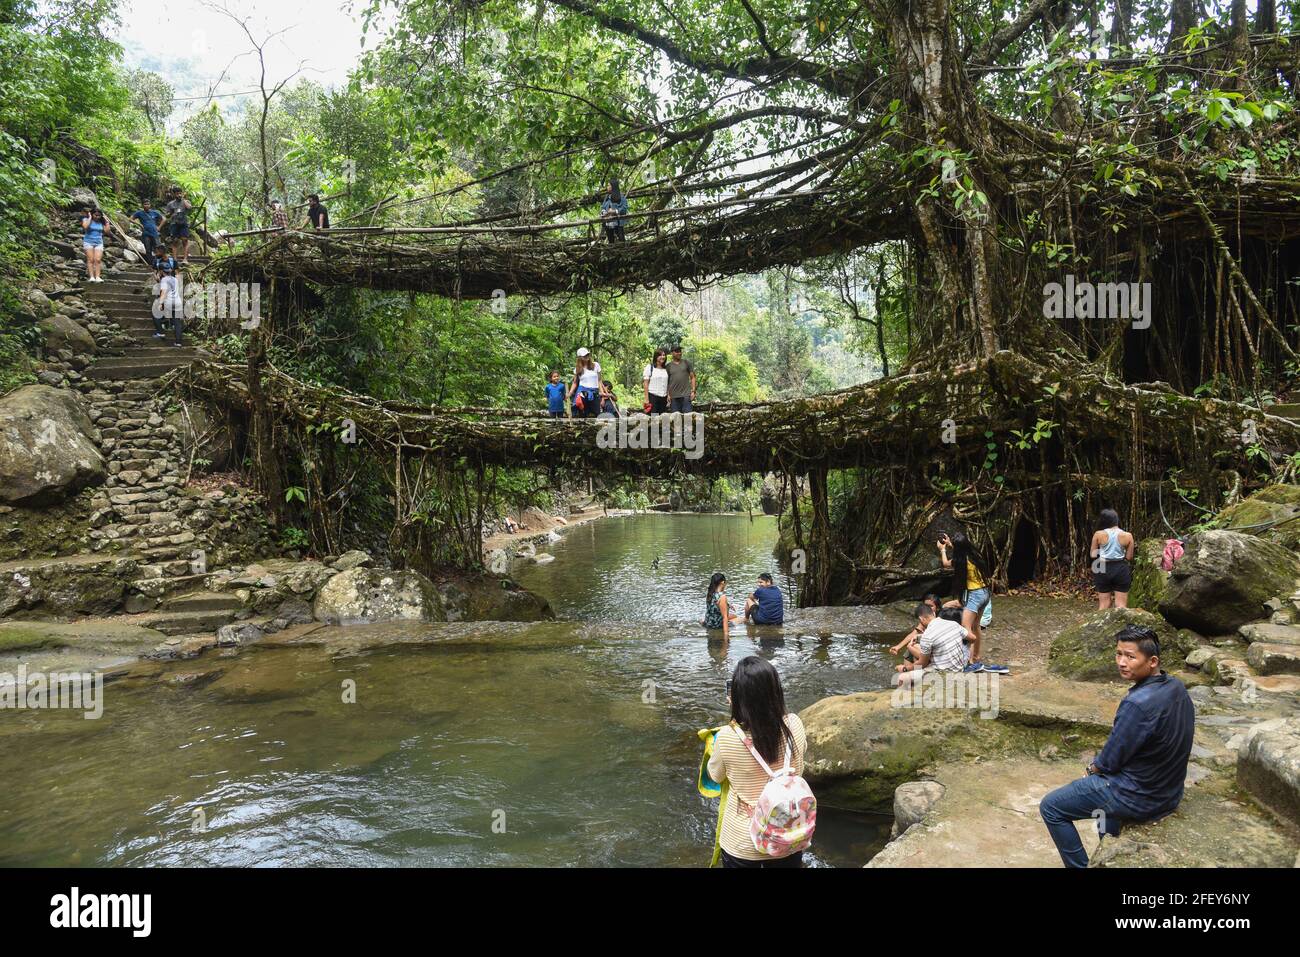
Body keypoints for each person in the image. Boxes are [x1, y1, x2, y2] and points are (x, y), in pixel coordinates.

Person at [1039, 625, 1194, 868]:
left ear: (1152, 661)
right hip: (1168, 792)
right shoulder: (1175, 687)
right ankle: (1108, 852)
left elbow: (1109, 761)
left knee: (1051, 807)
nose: (1122, 662)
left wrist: (1091, 770)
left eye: (1130, 656)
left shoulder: (1137, 704)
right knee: (1102, 804)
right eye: (1119, 654)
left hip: (1140, 797)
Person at [706, 656, 811, 868]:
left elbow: (714, 776)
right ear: (775, 691)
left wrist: (735, 715)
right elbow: (799, 762)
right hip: (789, 836)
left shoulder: (727, 736)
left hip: (742, 844)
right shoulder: (795, 725)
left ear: (737, 696)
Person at [937, 531, 995, 671]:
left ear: (958, 548)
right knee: (976, 627)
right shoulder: (974, 555)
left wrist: (943, 549)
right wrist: (951, 543)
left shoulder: (960, 560)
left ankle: (967, 661)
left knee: (965, 628)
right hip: (985, 593)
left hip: (975, 595)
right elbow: (960, 550)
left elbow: (945, 563)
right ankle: (975, 656)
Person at [894, 601, 973, 683]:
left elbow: (922, 663)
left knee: (901, 678)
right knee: (918, 653)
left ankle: (911, 689)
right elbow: (973, 638)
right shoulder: (953, 624)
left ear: (921, 619)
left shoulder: (927, 636)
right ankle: (915, 679)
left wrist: (904, 668)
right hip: (959, 669)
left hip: (943, 674)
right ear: (934, 614)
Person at [1091, 508, 1135, 610]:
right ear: (1116, 520)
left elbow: (1093, 554)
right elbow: (1129, 557)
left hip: (1102, 567)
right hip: (1120, 568)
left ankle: (1100, 626)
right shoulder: (1128, 536)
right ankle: (1119, 626)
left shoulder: (1098, 534)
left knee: (1103, 605)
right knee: (1121, 606)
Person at [154, 262, 184, 346]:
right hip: (177, 302)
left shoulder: (164, 280)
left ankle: (160, 332)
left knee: (156, 313)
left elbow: (163, 292)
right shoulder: (175, 279)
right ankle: (178, 342)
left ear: (161, 271)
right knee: (177, 321)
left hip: (169, 301)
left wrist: (160, 303)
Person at [568, 347, 602, 419]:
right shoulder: (577, 369)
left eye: (587, 355)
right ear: (580, 358)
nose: (587, 357)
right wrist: (570, 393)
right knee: (582, 412)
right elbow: (575, 382)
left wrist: (602, 392)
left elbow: (599, 380)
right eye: (584, 356)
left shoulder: (596, 365)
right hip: (583, 392)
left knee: (597, 412)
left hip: (594, 391)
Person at [161, 188, 192, 264]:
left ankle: (185, 259)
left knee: (185, 240)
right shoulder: (170, 204)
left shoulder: (185, 201)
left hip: (183, 223)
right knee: (174, 241)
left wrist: (184, 200)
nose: (179, 195)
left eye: (180, 193)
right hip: (174, 224)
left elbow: (189, 208)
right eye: (177, 193)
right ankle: (175, 259)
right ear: (174, 194)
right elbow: (167, 215)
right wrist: (170, 213)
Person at [666, 343, 696, 413]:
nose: (679, 353)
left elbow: (693, 377)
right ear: (672, 353)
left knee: (688, 419)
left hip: (686, 396)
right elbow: (666, 382)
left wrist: (693, 391)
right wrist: (668, 395)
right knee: (676, 421)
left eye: (680, 351)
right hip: (673, 397)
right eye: (677, 351)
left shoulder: (686, 363)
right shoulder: (668, 366)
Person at [81, 208, 107, 282]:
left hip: (99, 242)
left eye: (99, 215)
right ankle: (92, 277)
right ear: (92, 214)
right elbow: (85, 227)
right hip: (88, 242)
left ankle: (98, 277)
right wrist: (89, 217)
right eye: (95, 215)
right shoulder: (86, 220)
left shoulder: (101, 222)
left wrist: (106, 222)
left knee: (98, 260)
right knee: (90, 260)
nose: (97, 217)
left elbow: (107, 231)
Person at [702, 572, 731, 639]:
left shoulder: (710, 594)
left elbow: (714, 605)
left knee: (733, 616)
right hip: (716, 626)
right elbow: (725, 618)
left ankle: (702, 622)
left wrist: (728, 605)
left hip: (709, 623)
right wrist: (726, 636)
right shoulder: (722, 597)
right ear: (723, 582)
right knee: (740, 619)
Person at [641, 348, 670, 413]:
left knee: (662, 419)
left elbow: (667, 383)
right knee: (654, 420)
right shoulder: (650, 367)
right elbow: (645, 383)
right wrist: (646, 399)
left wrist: (668, 395)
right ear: (656, 356)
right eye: (660, 355)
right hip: (653, 397)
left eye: (664, 355)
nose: (662, 357)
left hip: (664, 398)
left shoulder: (666, 369)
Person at [600, 178, 628, 242]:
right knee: (611, 241)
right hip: (608, 222)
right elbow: (603, 208)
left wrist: (614, 211)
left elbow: (624, 208)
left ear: (613, 186)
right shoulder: (607, 197)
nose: (607, 187)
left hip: (618, 222)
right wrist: (605, 213)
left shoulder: (621, 196)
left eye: (608, 185)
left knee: (621, 240)